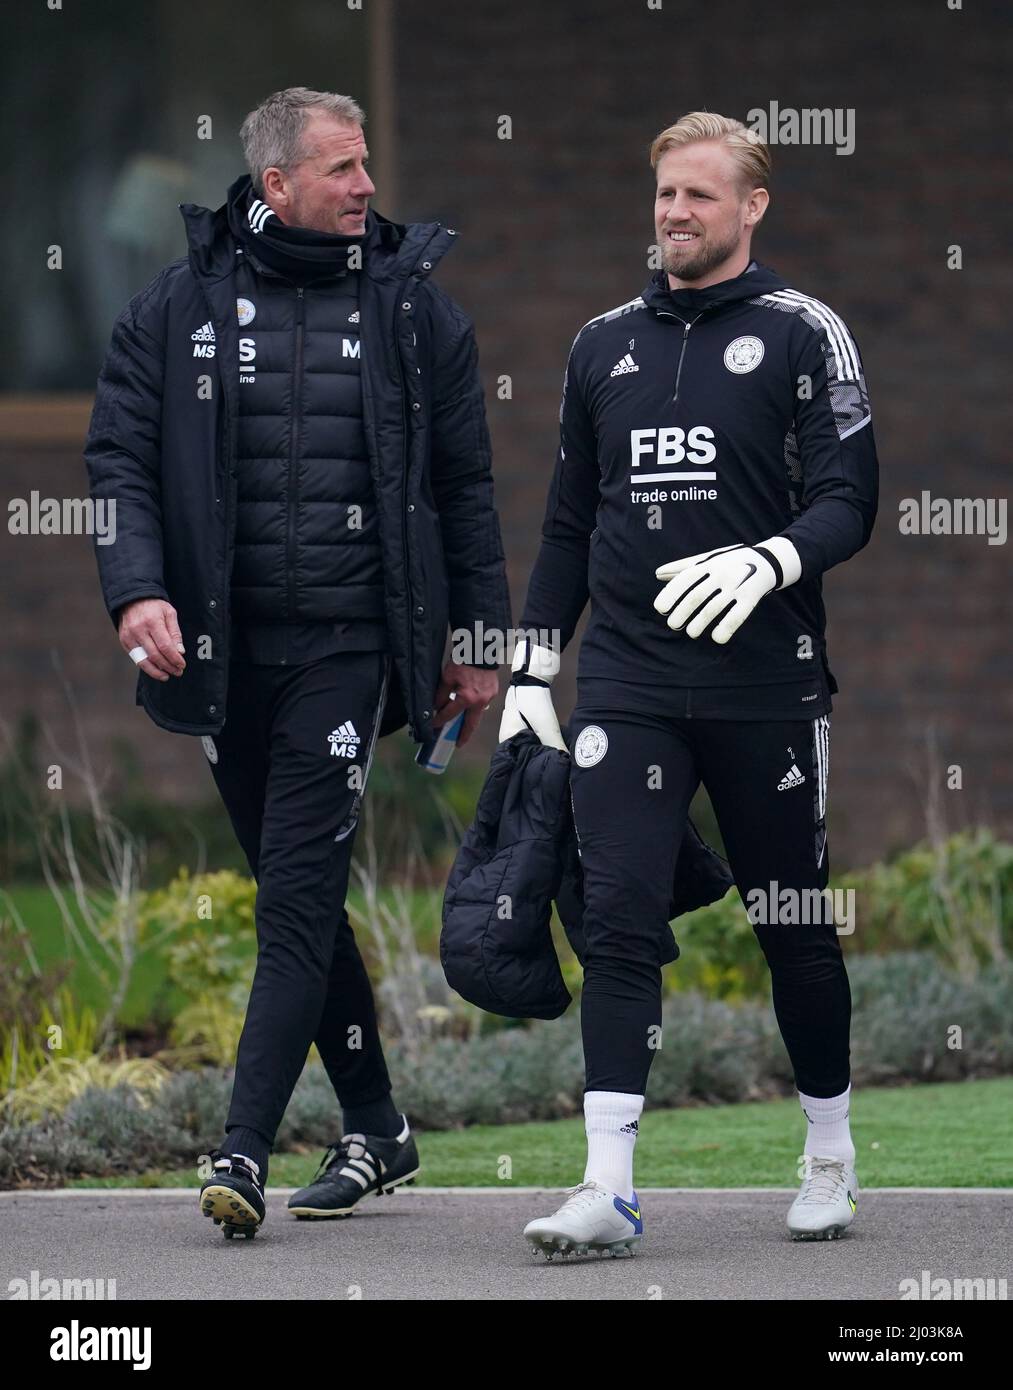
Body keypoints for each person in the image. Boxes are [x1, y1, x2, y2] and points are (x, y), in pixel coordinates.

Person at [84, 86, 510, 1237]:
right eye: (342, 169)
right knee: (300, 893)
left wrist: (479, 644)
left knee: (294, 899)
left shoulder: (417, 313)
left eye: (365, 164)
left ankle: (241, 1151)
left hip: (351, 648)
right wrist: (138, 591)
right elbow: (118, 462)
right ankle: (378, 1123)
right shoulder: (175, 309)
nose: (367, 187)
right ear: (277, 184)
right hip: (223, 657)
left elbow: (467, 491)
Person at [500, 111, 877, 1258]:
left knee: (789, 924)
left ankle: (827, 1152)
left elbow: (851, 497)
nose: (673, 214)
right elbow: (568, 527)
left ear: (750, 206)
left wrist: (768, 557)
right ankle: (606, 1188)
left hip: (765, 681)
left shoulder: (804, 331)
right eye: (664, 194)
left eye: (698, 197)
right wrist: (530, 664)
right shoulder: (599, 344)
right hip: (628, 679)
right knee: (615, 917)